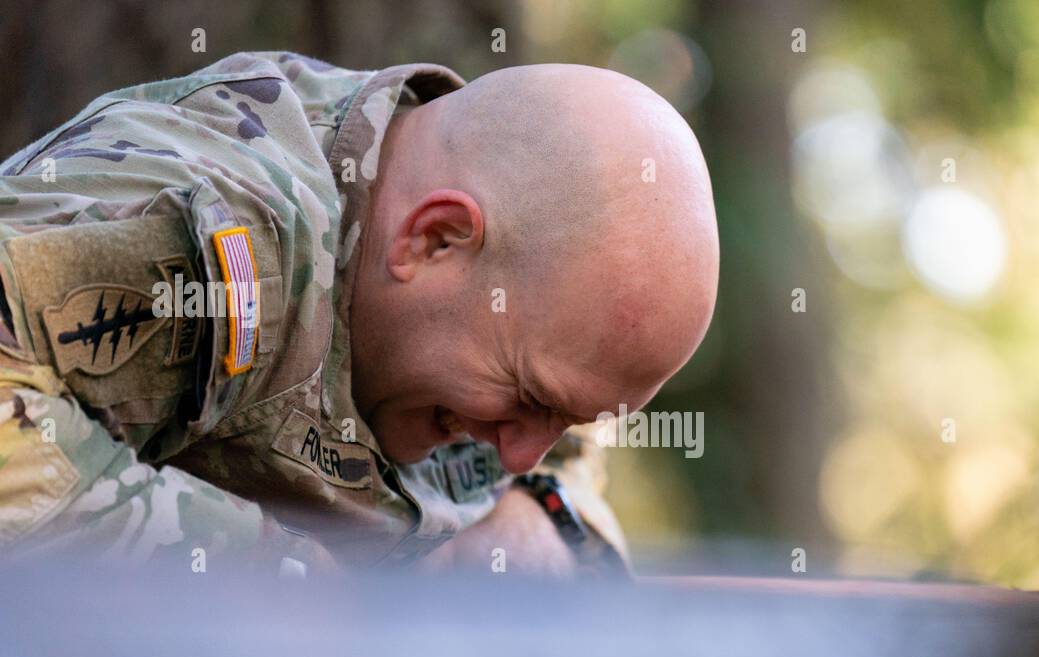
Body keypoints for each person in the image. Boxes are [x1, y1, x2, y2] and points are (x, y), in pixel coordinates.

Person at [0, 53, 718, 574]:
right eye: (528, 401)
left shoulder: (535, 333)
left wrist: (545, 531)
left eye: (565, 418)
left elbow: (564, 483)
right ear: (434, 240)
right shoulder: (227, 237)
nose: (520, 451)